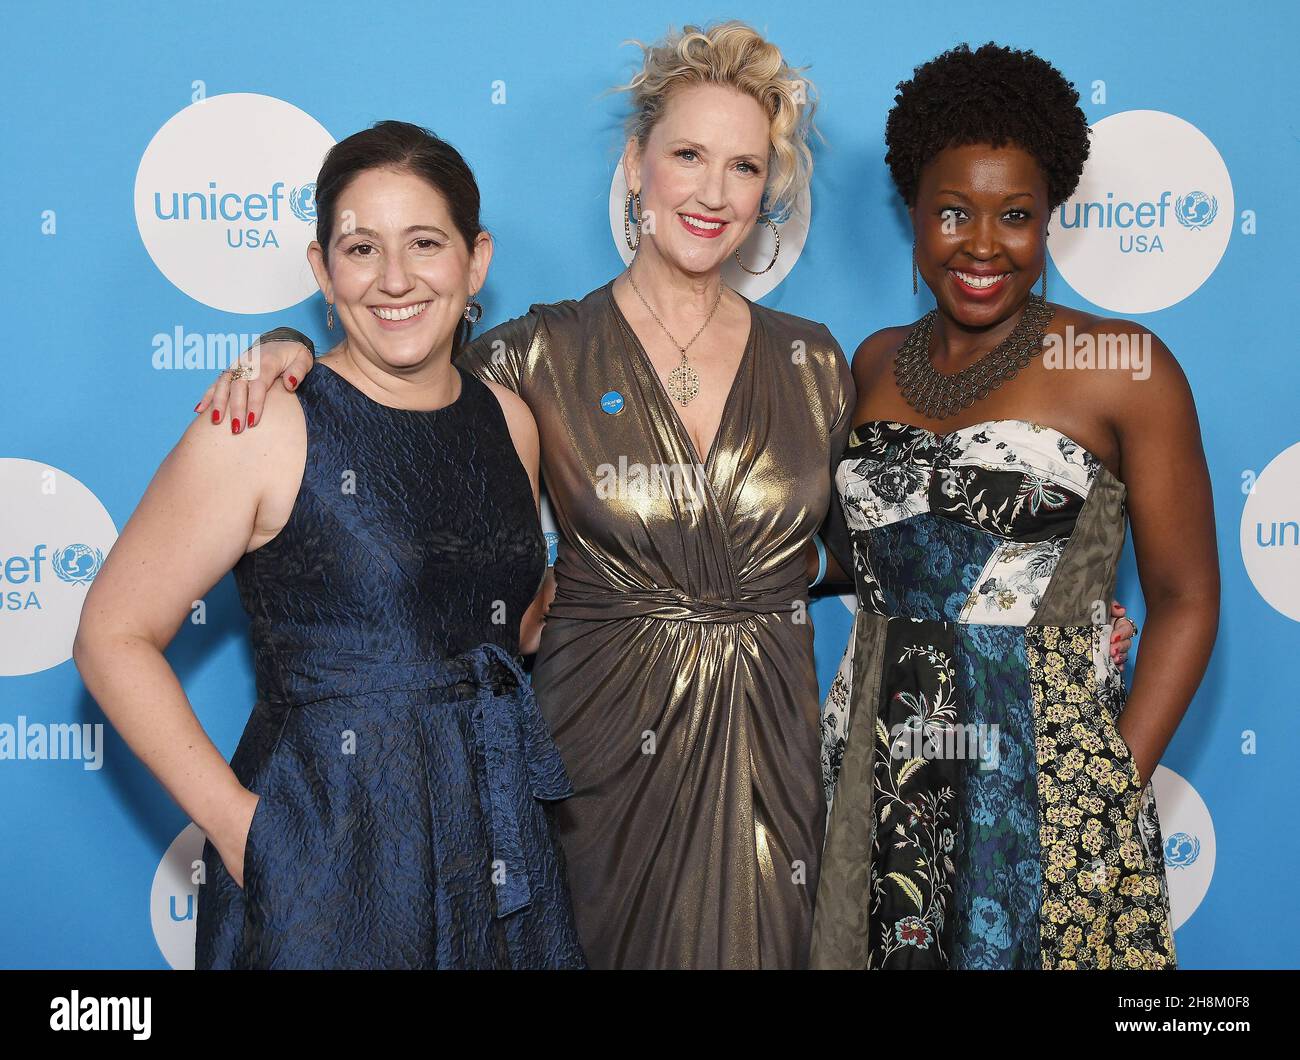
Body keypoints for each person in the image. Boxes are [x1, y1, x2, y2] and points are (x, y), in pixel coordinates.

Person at [74, 120, 585, 969]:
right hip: (331, 846)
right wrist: (248, 833)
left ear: (476, 259)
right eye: (360, 249)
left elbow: (505, 629)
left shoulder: (512, 422)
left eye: (425, 243)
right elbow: (110, 636)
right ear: (322, 269)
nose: (394, 279)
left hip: (498, 846)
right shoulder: (267, 420)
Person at [810, 43, 1218, 971]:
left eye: (1017, 216)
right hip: (881, 765)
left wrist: (1108, 783)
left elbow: (1189, 597)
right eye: (953, 211)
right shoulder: (870, 364)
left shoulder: (1122, 367)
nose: (983, 244)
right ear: (913, 213)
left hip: (1049, 778)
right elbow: (855, 560)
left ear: (1050, 221)